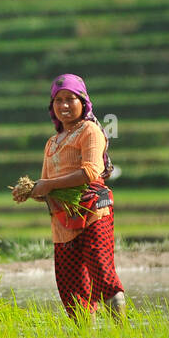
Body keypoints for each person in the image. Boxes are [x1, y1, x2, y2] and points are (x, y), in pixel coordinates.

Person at [27, 74, 125, 321]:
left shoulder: (90, 131)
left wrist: (47, 185)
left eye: (70, 99)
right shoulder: (52, 142)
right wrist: (32, 190)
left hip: (93, 214)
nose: (64, 106)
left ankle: (124, 337)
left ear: (83, 102)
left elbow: (91, 171)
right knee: (72, 289)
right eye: (58, 100)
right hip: (62, 222)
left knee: (103, 277)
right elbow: (46, 185)